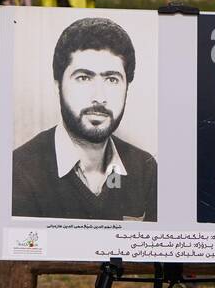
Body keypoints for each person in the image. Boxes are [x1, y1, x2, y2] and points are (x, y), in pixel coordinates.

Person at [11, 16, 157, 221]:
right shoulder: (19, 171)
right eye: (83, 78)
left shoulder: (145, 169)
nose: (99, 97)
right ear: (58, 85)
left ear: (127, 89)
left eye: (112, 79)